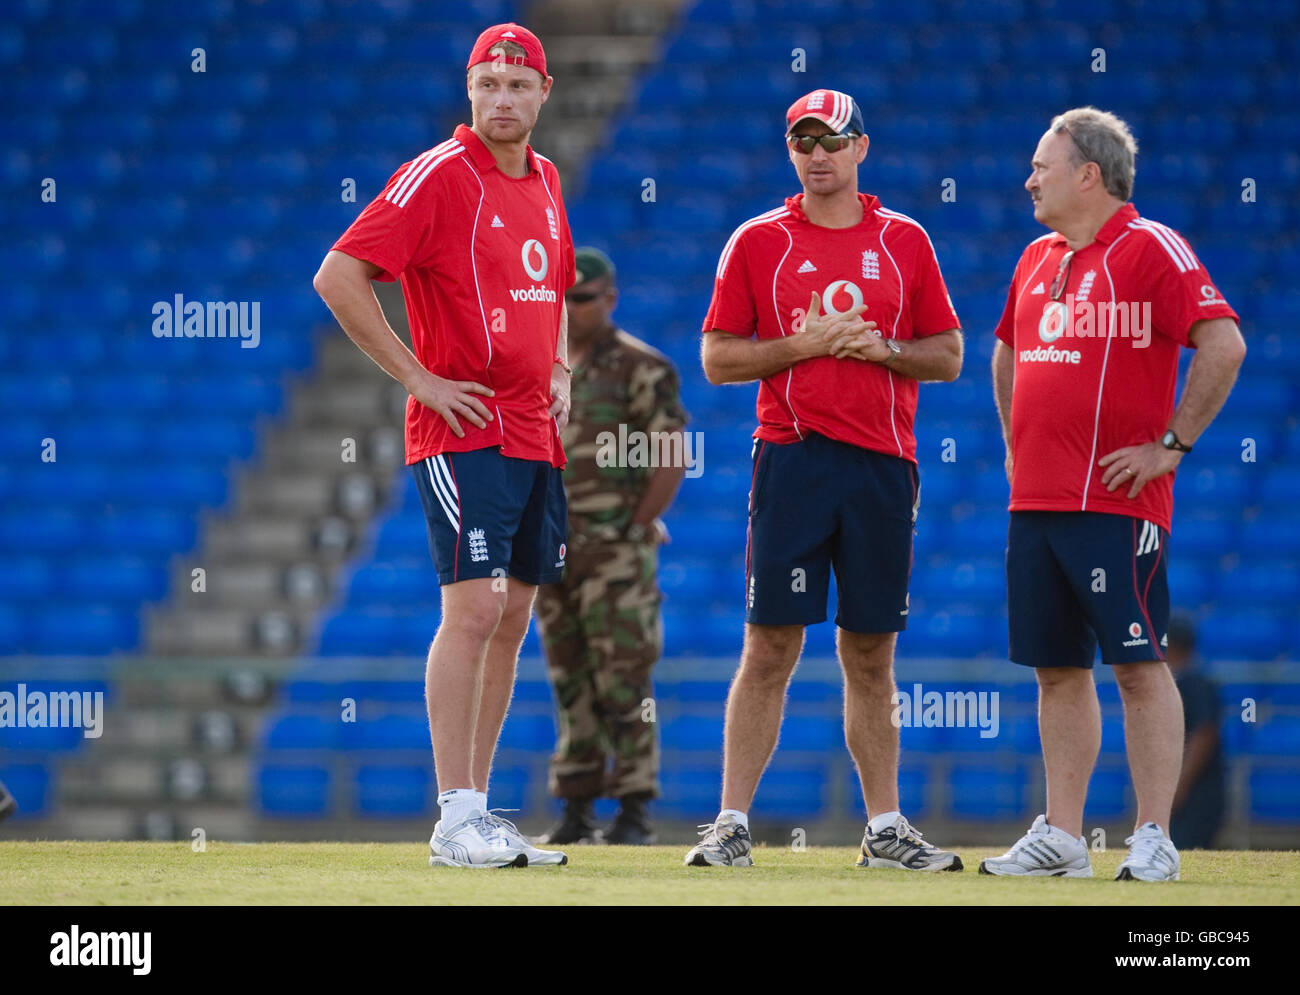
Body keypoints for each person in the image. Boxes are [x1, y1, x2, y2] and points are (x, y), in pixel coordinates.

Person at [313, 23, 577, 868]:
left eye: (517, 84)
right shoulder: (437, 175)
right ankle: (454, 815)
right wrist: (419, 379)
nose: (502, 99)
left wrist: (563, 363)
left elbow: (556, 283)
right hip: (464, 430)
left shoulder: (546, 178)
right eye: (487, 84)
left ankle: (479, 812)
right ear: (470, 90)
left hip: (535, 430)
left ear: (544, 93)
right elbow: (338, 274)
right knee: (472, 609)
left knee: (513, 616)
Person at [688, 89, 964, 870]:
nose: (817, 154)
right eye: (803, 141)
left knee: (871, 653)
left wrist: (886, 353)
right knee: (769, 645)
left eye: (832, 141)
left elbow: (947, 353)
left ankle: (884, 829)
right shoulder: (758, 241)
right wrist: (803, 344)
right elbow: (716, 358)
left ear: (861, 148)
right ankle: (731, 821)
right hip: (793, 457)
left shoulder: (906, 240)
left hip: (882, 462)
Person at [981, 107, 1245, 882]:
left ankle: (1154, 834)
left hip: (1116, 504)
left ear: (1088, 174)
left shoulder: (1151, 248)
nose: (1029, 178)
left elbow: (1223, 342)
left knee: (1137, 664)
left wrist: (1171, 447)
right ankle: (1063, 835)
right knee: (1055, 669)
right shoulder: (1034, 256)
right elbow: (1005, 351)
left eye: (1042, 165)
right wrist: (1010, 445)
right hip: (1035, 503)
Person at [534, 247, 689, 846]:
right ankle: (575, 811)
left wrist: (637, 523)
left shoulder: (638, 366)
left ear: (609, 299)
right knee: (569, 679)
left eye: (582, 299)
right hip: (554, 549)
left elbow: (672, 452)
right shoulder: (541, 364)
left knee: (623, 680)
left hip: (615, 554)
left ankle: (633, 812)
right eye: (562, 300)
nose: (571, 310)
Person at [1167, 613, 1226, 849]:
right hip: (1193, 787)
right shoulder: (1186, 680)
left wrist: (1181, 784)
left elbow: (1204, 733)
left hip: (1198, 790)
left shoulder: (1194, 682)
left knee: (1185, 848)